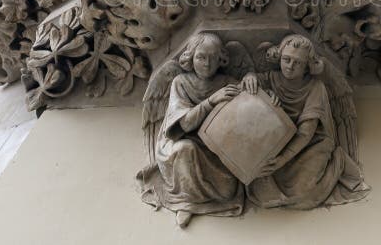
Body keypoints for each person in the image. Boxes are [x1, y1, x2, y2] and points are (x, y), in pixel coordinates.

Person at [241, 34, 369, 209]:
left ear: (307, 66)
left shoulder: (315, 87)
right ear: (279, 57)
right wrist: (249, 76)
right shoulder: (268, 78)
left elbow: (305, 133)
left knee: (302, 196)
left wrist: (281, 160)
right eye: (286, 59)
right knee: (262, 192)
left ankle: (338, 161)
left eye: (298, 62)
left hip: (310, 146)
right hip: (275, 145)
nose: (290, 66)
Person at [142, 32, 243, 227]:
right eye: (201, 57)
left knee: (228, 190)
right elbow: (185, 125)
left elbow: (247, 113)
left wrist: (250, 78)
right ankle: (186, 201)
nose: (207, 63)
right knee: (185, 149)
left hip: (215, 147)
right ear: (190, 57)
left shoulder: (227, 82)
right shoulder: (181, 82)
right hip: (180, 141)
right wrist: (212, 100)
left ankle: (208, 196)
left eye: (213, 58)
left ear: (221, 59)